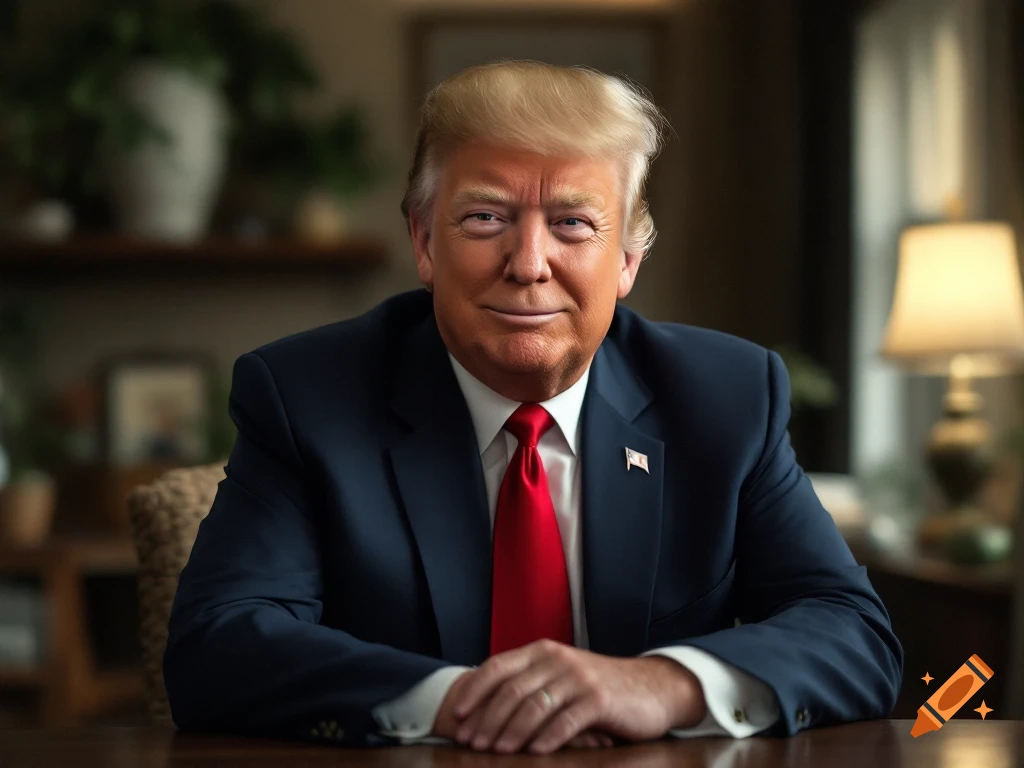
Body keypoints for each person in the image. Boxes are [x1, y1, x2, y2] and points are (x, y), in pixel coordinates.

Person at [164, 61, 902, 754]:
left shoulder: (727, 396)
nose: (528, 264)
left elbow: (852, 633)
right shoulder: (307, 395)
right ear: (424, 242)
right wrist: (461, 702)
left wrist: (665, 683)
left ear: (626, 263)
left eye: (573, 224)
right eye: (485, 219)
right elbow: (218, 645)